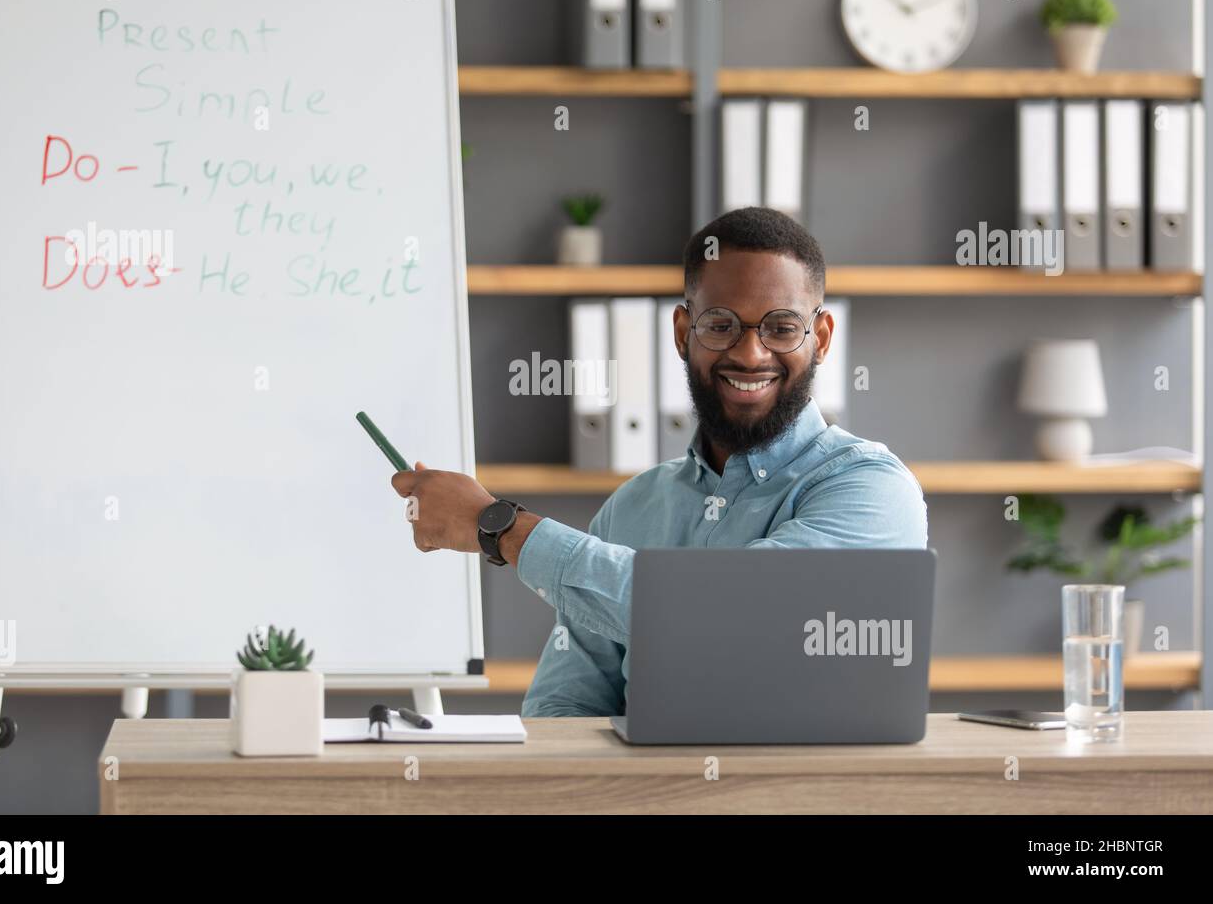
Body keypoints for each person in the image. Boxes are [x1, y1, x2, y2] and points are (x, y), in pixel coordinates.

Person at [392, 206, 928, 717]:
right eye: (720, 324)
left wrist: (503, 528)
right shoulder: (633, 507)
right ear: (681, 333)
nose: (750, 353)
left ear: (821, 338)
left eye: (782, 328)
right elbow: (567, 707)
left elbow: (736, 614)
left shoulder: (871, 488)